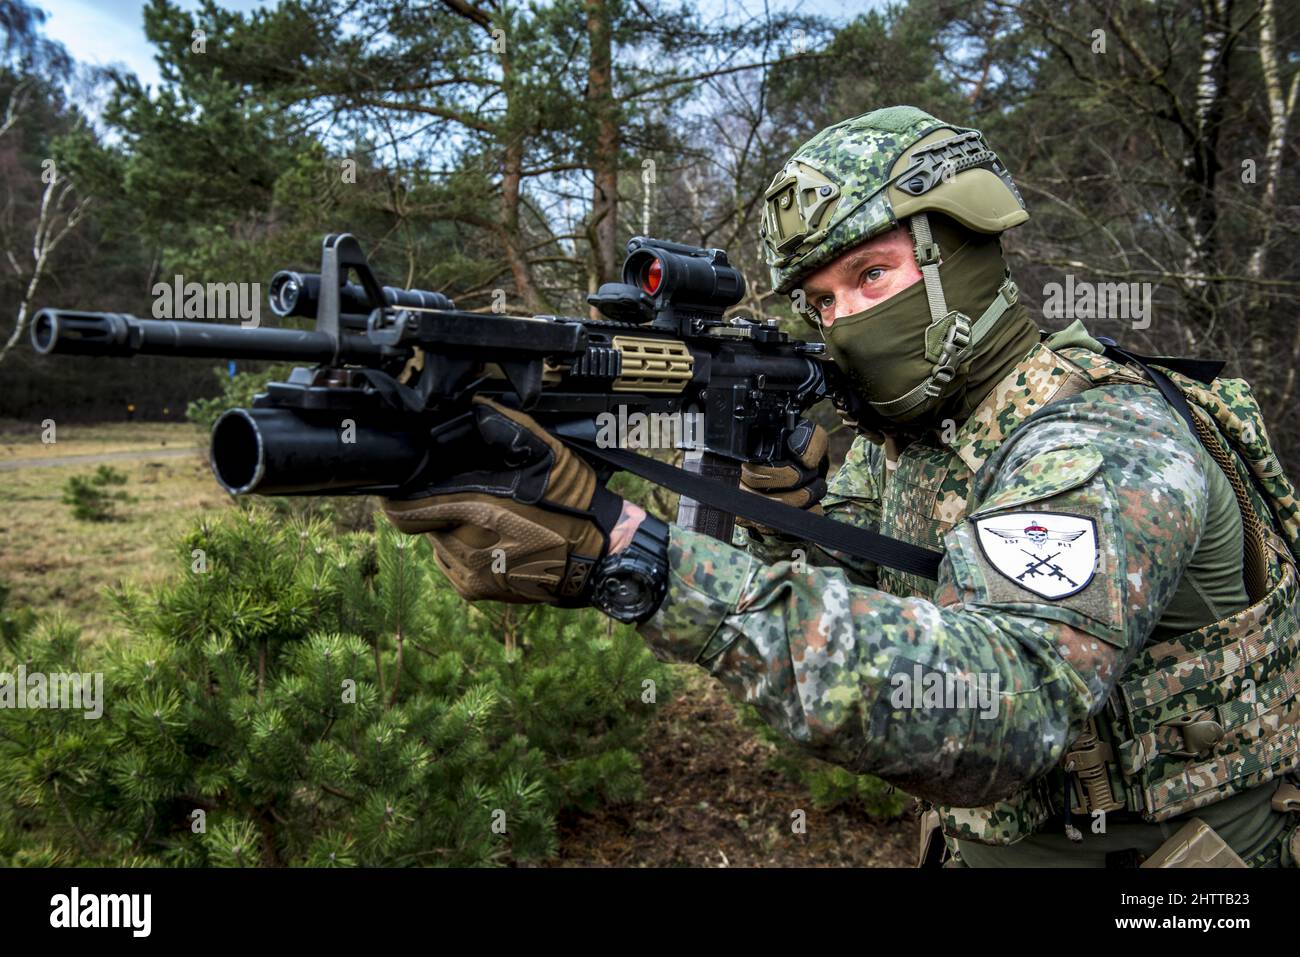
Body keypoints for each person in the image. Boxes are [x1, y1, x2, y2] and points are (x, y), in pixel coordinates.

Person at [382, 106, 1300, 867]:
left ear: (963, 251)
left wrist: (633, 556)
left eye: (872, 275)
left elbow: (1004, 709)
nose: (846, 321)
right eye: (822, 301)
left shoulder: (1100, 435)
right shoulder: (912, 442)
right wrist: (783, 514)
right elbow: (862, 616)